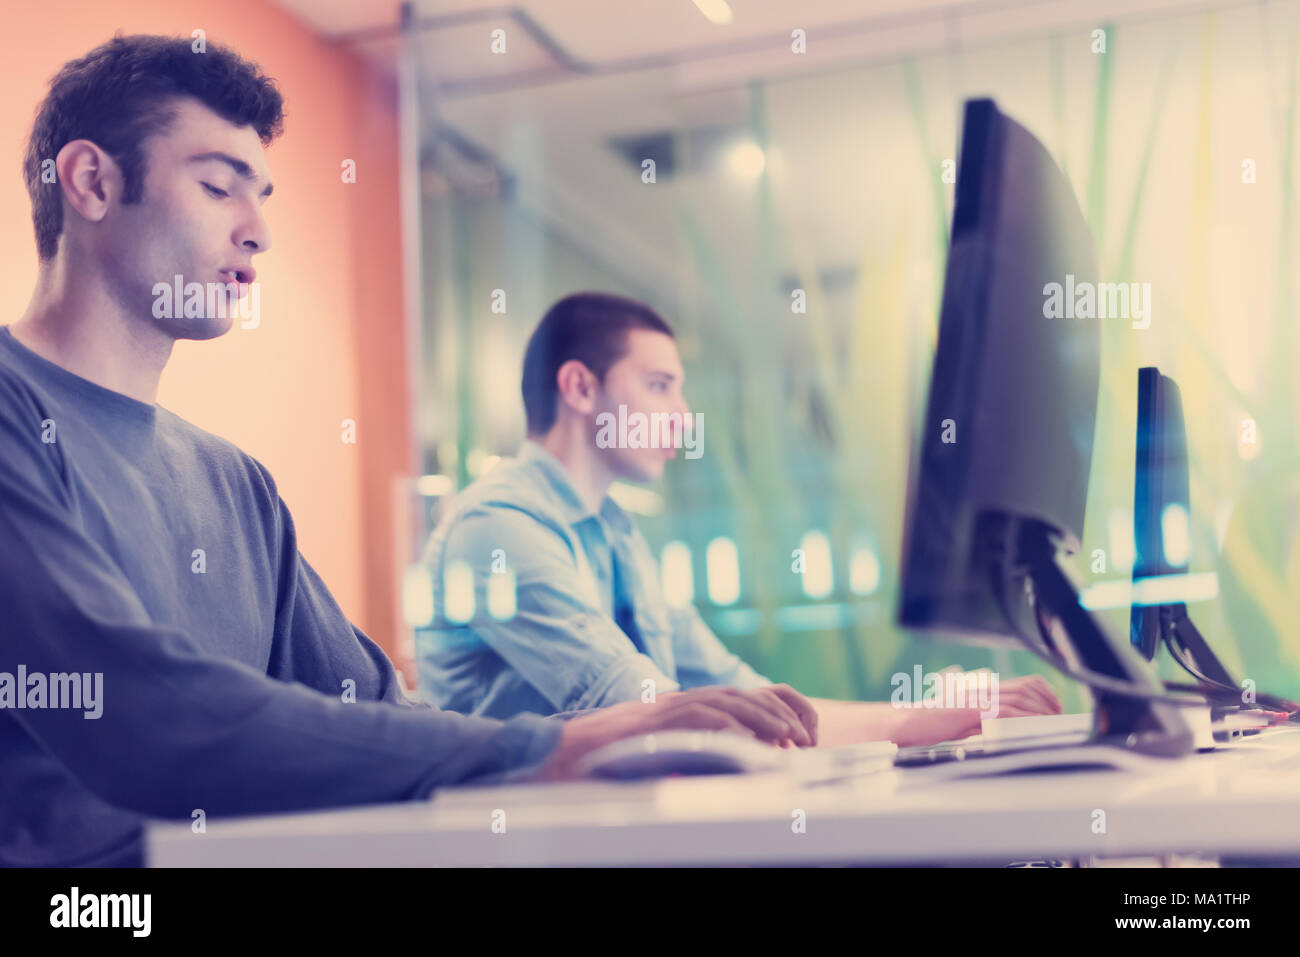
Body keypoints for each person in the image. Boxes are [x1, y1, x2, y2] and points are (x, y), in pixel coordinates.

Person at [0, 36, 812, 868]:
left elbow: (377, 709)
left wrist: (598, 742)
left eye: (263, 197)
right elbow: (142, 715)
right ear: (93, 183)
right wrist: (543, 752)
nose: (259, 233)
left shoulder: (232, 483)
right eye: (217, 187)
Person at [415, 292, 1062, 745]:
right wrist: (904, 718)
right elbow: (659, 712)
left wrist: (917, 716)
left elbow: (742, 695)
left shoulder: (617, 537)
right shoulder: (498, 528)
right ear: (582, 388)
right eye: (660, 386)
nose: (684, 416)